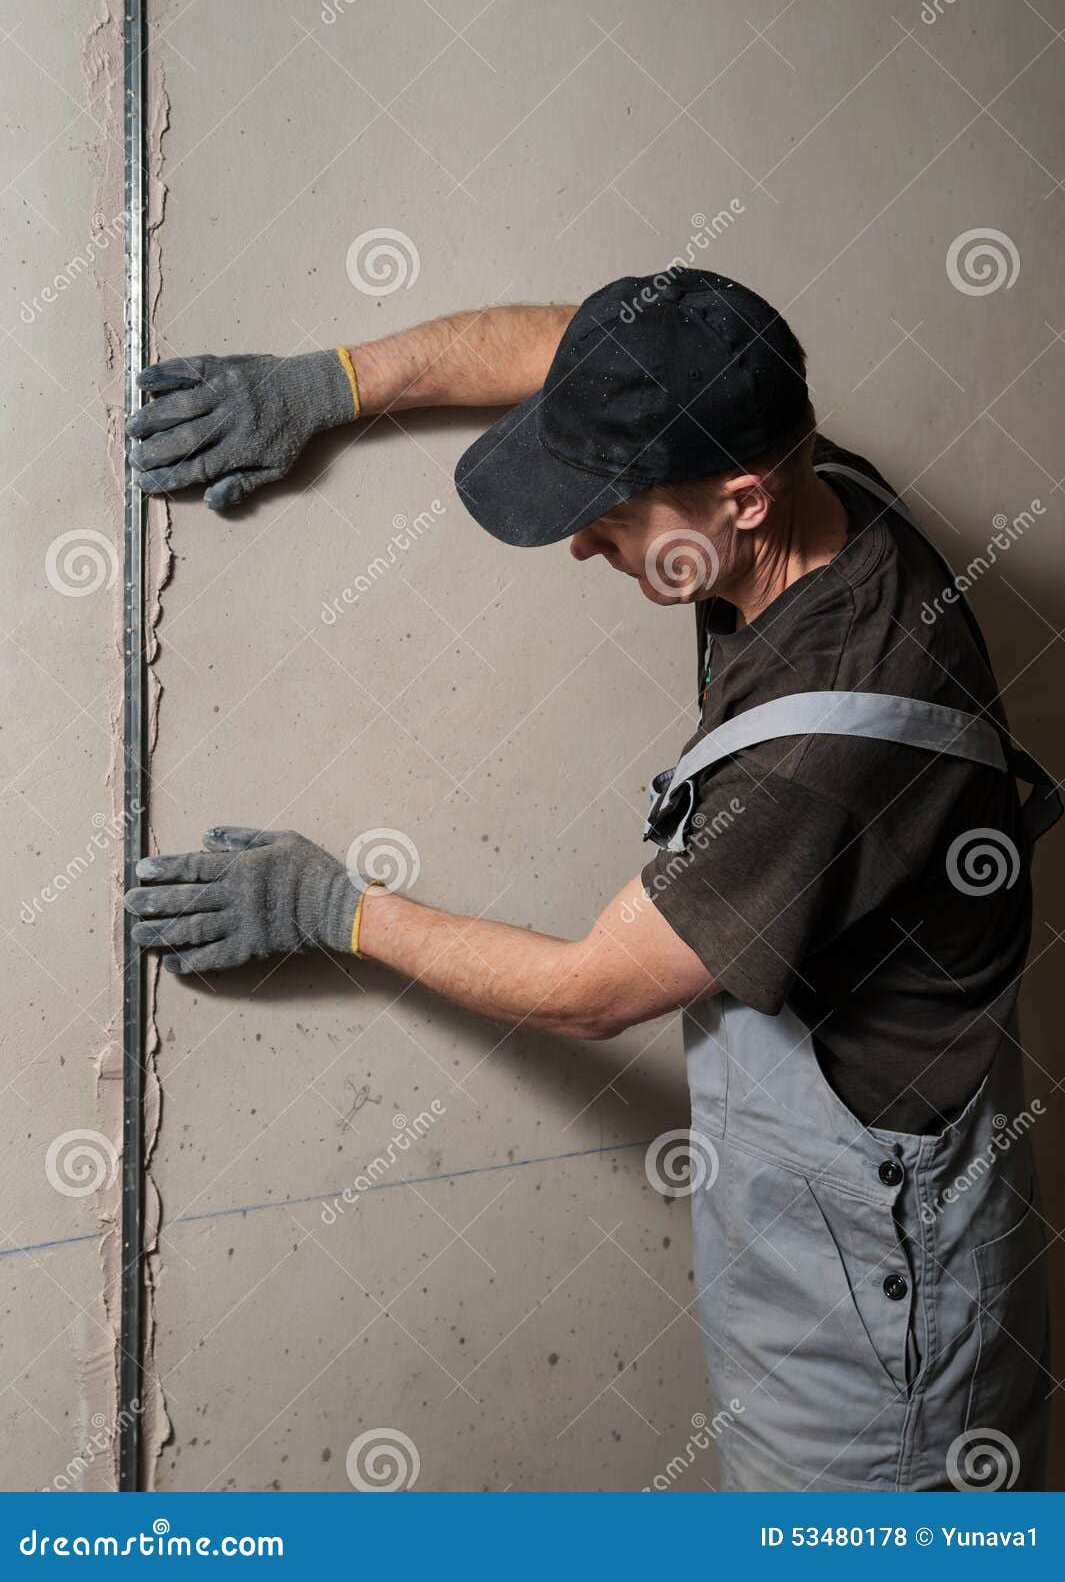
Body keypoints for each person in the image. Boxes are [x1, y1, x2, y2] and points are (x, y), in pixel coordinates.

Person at [124, 268, 1057, 1492]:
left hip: (886, 1305)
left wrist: (329, 907)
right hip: (831, 1204)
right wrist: (336, 385)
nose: (579, 540)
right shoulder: (784, 465)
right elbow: (575, 349)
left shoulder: (822, 757)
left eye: (612, 510)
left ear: (743, 497)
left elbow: (594, 987)